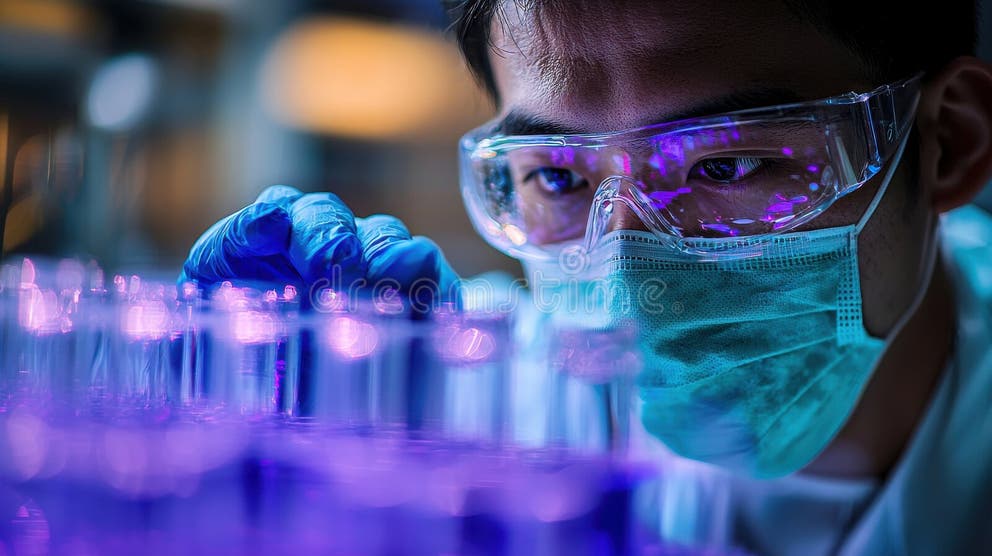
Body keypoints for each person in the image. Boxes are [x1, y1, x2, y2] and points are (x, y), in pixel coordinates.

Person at [181, 1, 992, 553]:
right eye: (560, 179)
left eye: (731, 161)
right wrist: (234, 425)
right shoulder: (473, 404)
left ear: (947, 142)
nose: (632, 276)